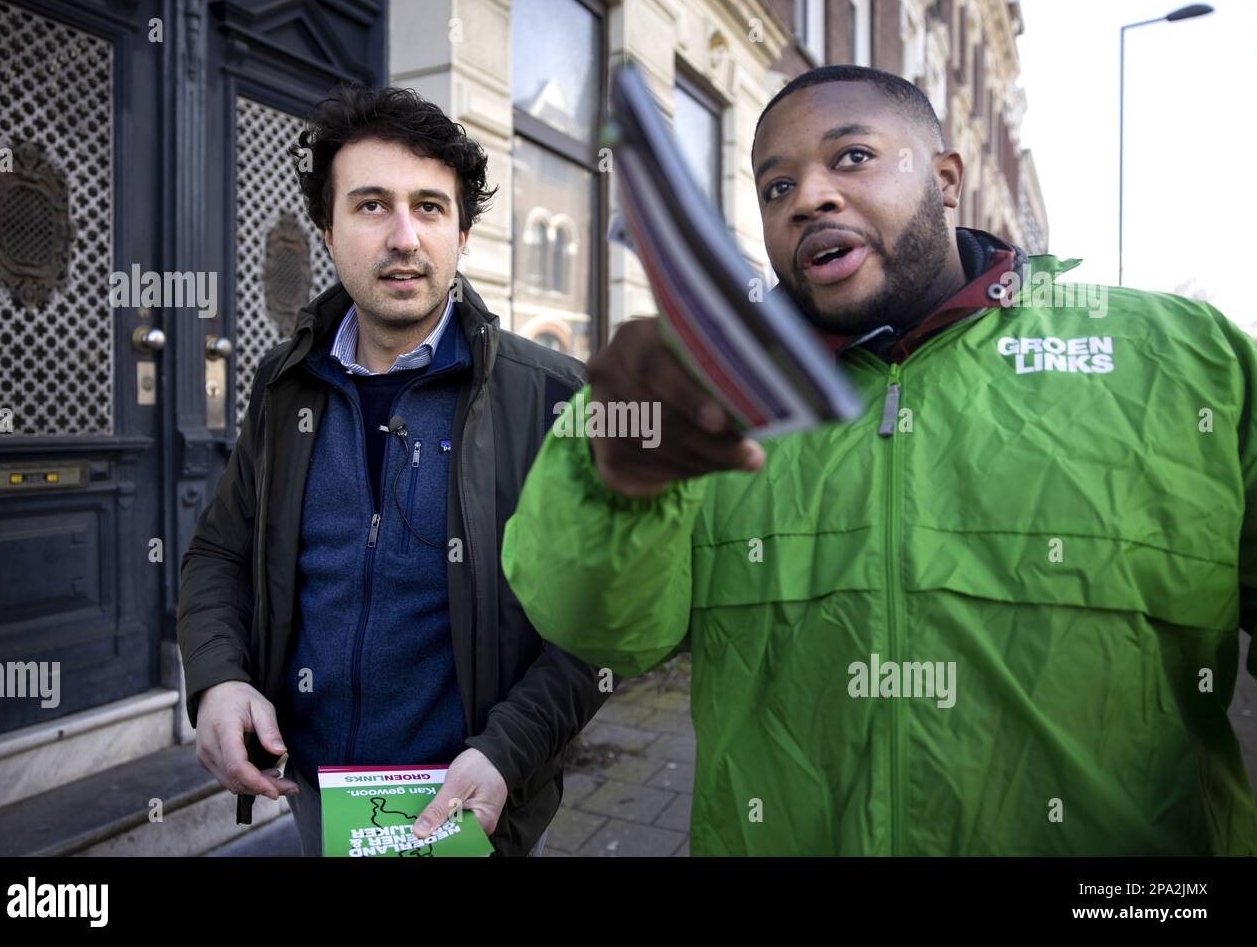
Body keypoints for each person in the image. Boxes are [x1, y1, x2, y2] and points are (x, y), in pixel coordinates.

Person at [500, 65, 1257, 855]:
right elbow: (599, 631)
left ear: (946, 178)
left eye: (852, 156)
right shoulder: (697, 390)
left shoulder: (1184, 361)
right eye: (775, 187)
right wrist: (616, 484)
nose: (809, 198)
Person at [177, 84, 606, 858]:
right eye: (372, 205)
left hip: (471, 799)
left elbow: (595, 624)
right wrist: (217, 677)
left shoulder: (550, 396)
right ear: (327, 228)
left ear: (463, 231)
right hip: (312, 789)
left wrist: (508, 750)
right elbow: (220, 553)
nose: (404, 236)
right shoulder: (285, 381)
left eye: (430, 207)